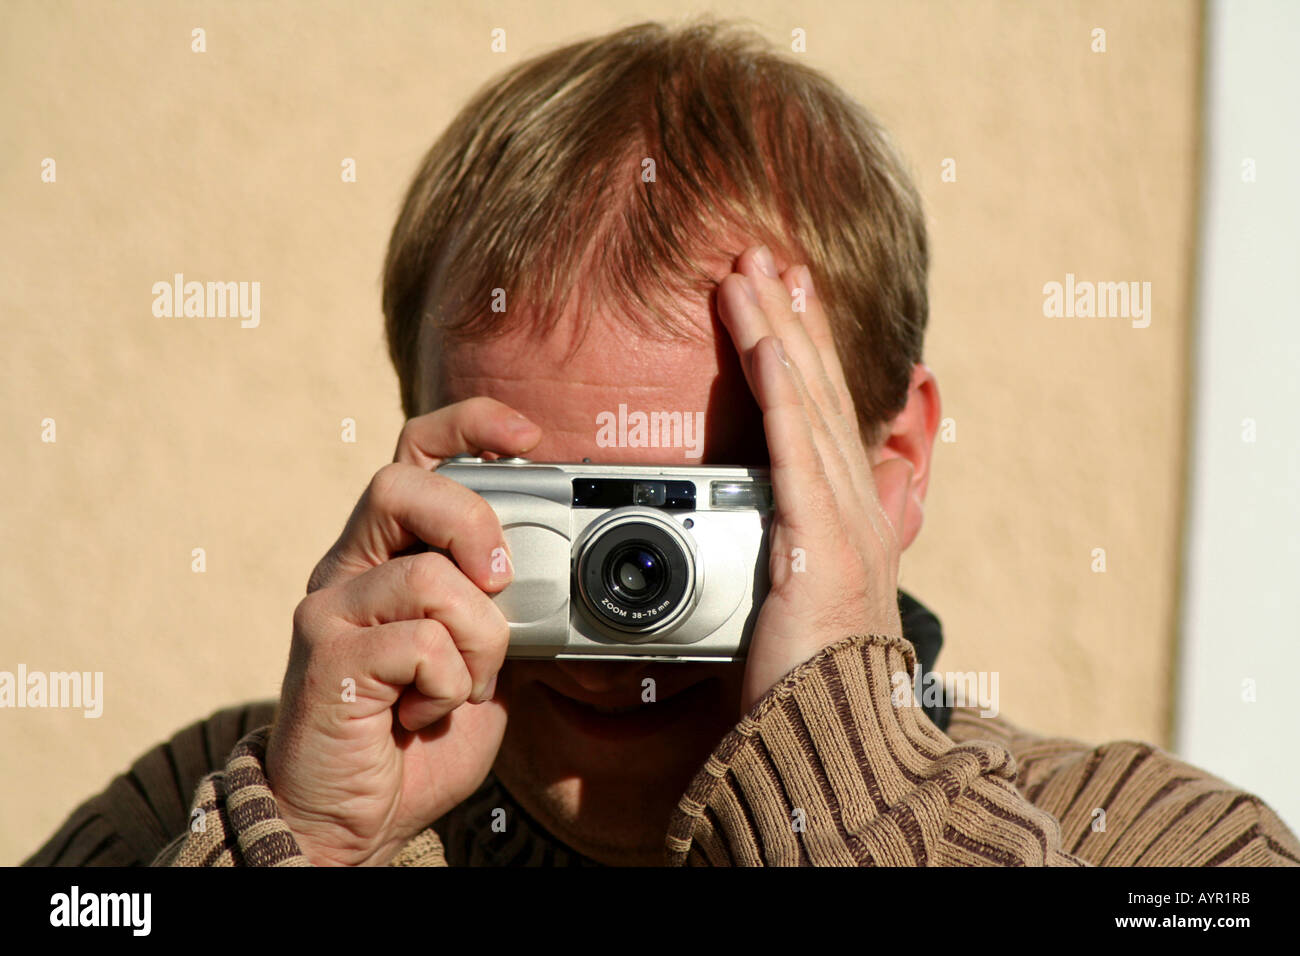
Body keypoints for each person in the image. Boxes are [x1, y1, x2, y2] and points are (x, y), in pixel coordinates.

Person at [27, 18, 1298, 868]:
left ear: (890, 465)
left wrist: (846, 805)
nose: (618, 593)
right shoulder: (210, 806)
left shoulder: (1163, 850)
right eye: (544, 508)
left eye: (698, 509)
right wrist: (298, 842)